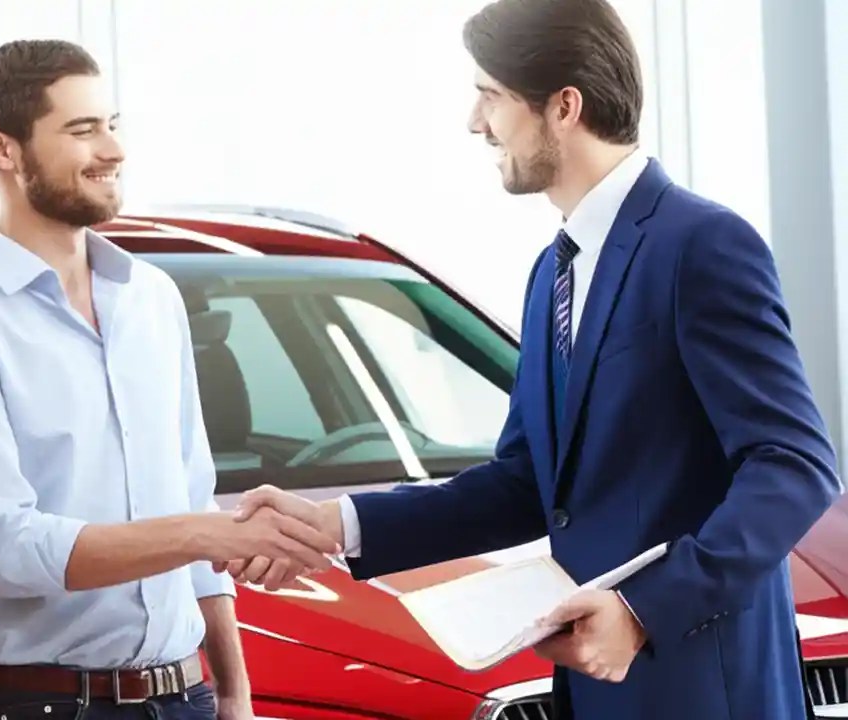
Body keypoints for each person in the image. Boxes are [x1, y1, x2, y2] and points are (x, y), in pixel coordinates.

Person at [226, 1, 844, 718]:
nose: (474, 122)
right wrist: (335, 525)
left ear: (563, 106)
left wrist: (645, 609)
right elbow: (525, 485)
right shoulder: (553, 271)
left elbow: (793, 464)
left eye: (489, 95)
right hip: (594, 691)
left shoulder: (700, 245)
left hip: (701, 686)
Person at [0, 40, 338, 720]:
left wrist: (233, 693)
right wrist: (204, 533)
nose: (113, 149)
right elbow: (4, 550)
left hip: (186, 696)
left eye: (112, 124)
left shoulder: (151, 297)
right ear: (2, 151)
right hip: (50, 705)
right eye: (82, 130)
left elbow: (191, 493)